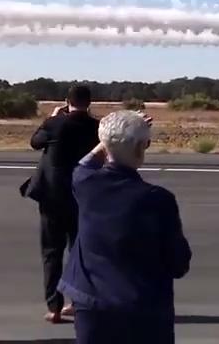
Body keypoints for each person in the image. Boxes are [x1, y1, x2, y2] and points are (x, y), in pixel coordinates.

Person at [58, 110, 191, 344]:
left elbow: (86, 163)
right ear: (140, 148)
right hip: (143, 309)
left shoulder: (85, 182)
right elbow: (178, 263)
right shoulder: (158, 199)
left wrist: (110, 138)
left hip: (92, 306)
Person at [20, 84, 100, 322]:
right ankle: (77, 302)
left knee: (51, 252)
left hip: (52, 197)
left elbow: (35, 142)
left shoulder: (55, 124)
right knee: (79, 251)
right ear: (89, 103)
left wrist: (50, 118)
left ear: (67, 101)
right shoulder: (96, 127)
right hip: (82, 196)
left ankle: (54, 306)